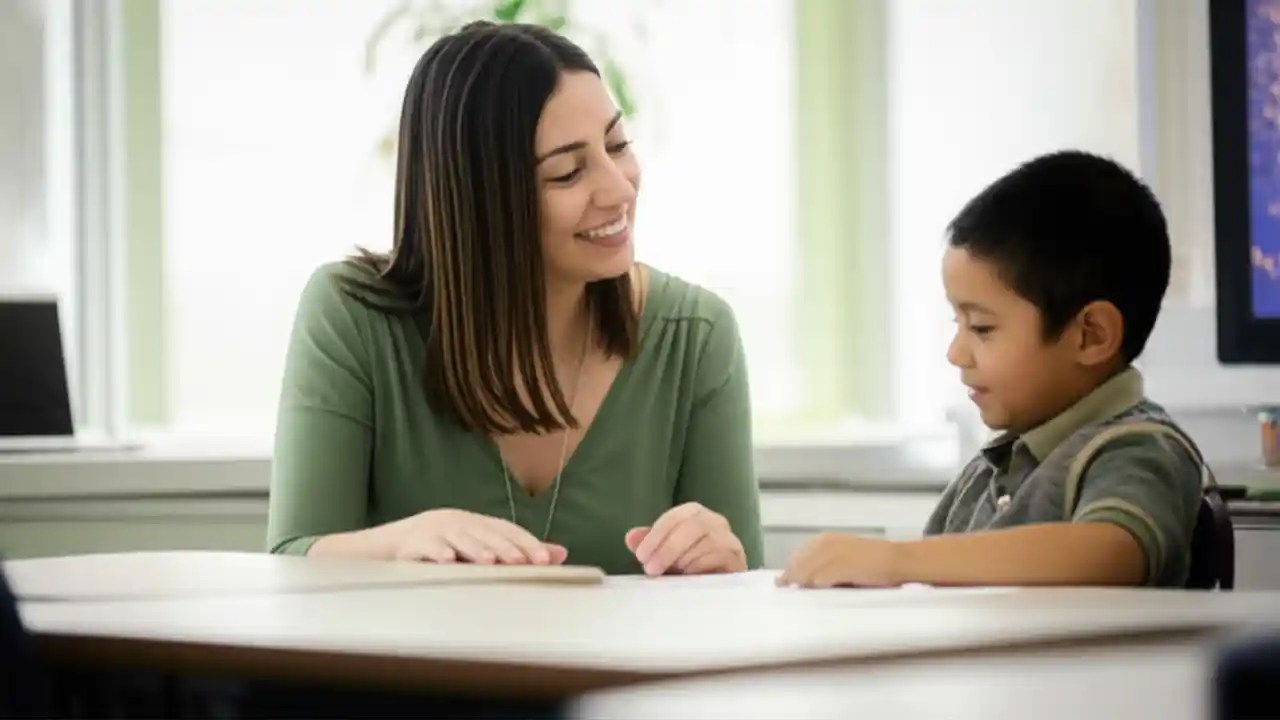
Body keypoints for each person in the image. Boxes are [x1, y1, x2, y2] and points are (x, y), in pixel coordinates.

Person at [266, 21, 763, 576]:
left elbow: (744, 599)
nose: (620, 188)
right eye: (568, 172)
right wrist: (407, 541)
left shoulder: (695, 336)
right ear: (481, 201)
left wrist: (725, 563)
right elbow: (291, 560)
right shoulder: (351, 317)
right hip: (417, 665)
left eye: (617, 145)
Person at [780, 150, 1203, 588]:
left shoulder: (1137, 447)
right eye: (957, 322)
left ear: (1091, 336)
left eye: (982, 327)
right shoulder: (990, 469)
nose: (956, 353)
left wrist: (897, 560)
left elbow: (1111, 551)